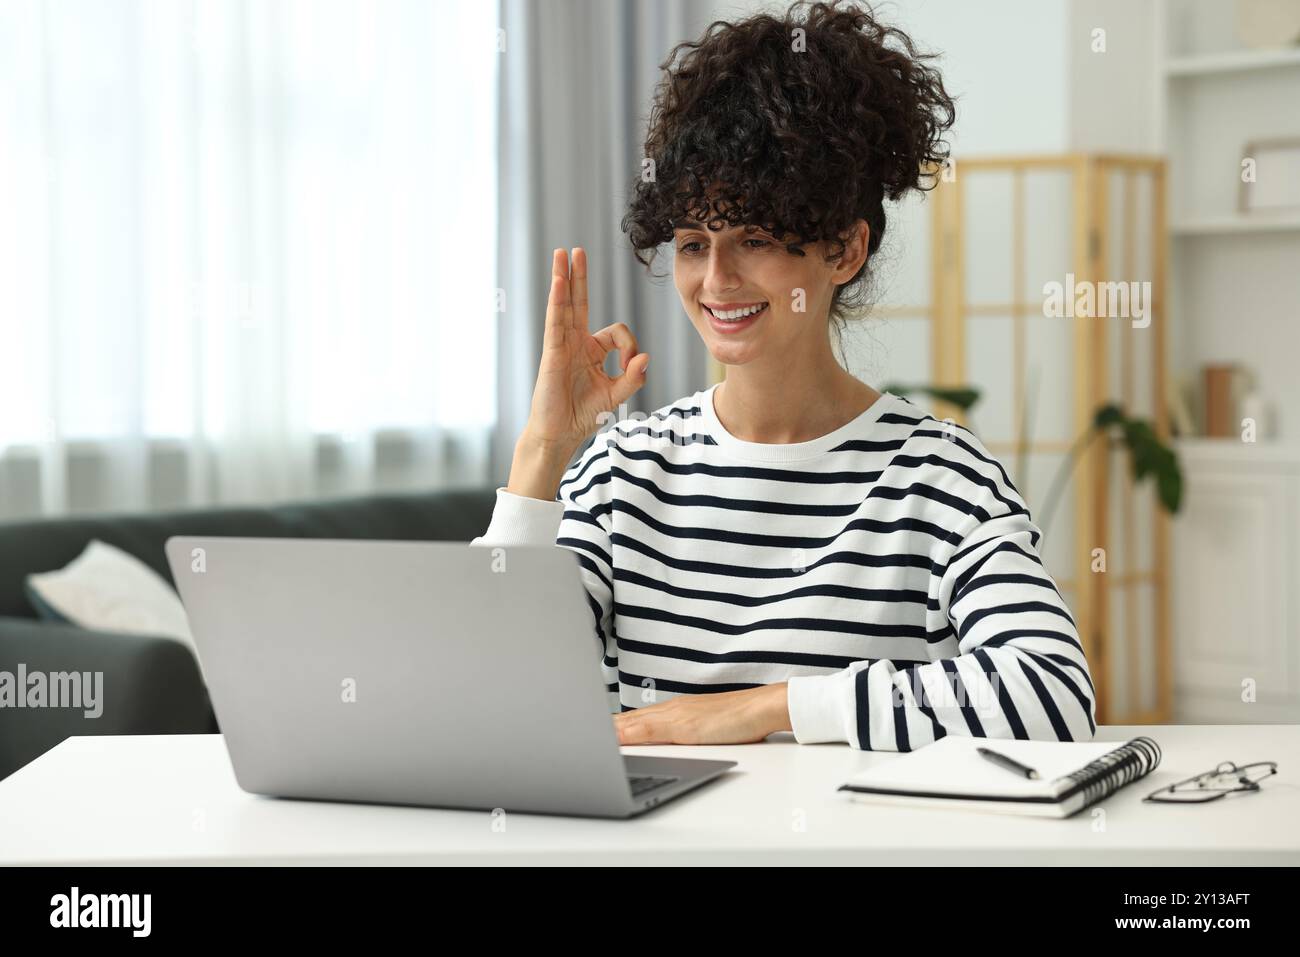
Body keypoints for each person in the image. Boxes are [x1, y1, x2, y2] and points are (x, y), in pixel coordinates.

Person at [472, 0, 1095, 751]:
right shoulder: (622, 473)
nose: (716, 279)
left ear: (844, 250)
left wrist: (766, 707)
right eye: (694, 242)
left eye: (756, 238)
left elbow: (1052, 693)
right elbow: (481, 689)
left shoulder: (938, 478)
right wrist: (541, 453)